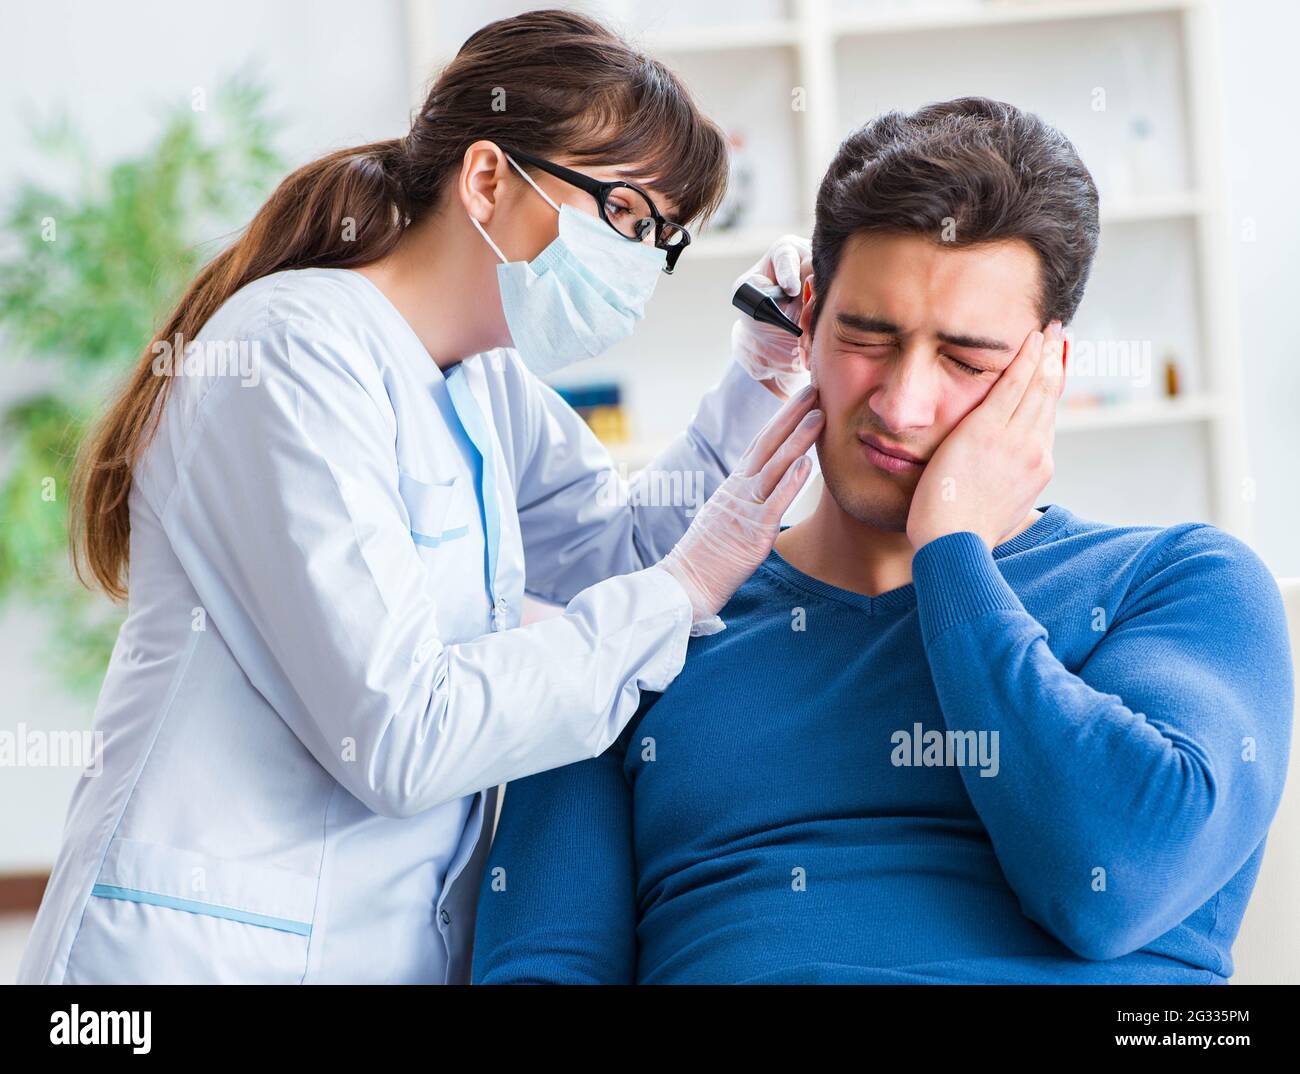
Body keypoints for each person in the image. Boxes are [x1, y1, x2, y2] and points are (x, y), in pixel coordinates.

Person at [18, 10, 823, 985]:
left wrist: (759, 379)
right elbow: (399, 735)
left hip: (374, 946)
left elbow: (619, 567)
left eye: (659, 236)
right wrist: (685, 585)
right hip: (196, 955)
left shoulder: (484, 382)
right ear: (487, 178)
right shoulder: (290, 353)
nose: (638, 261)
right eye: (620, 214)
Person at [470, 98, 1293, 985]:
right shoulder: (643, 629)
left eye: (967, 363)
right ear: (810, 323)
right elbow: (541, 966)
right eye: (869, 337)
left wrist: (953, 560)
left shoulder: (1179, 583)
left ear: (1047, 370)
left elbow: (1114, 888)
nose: (901, 406)